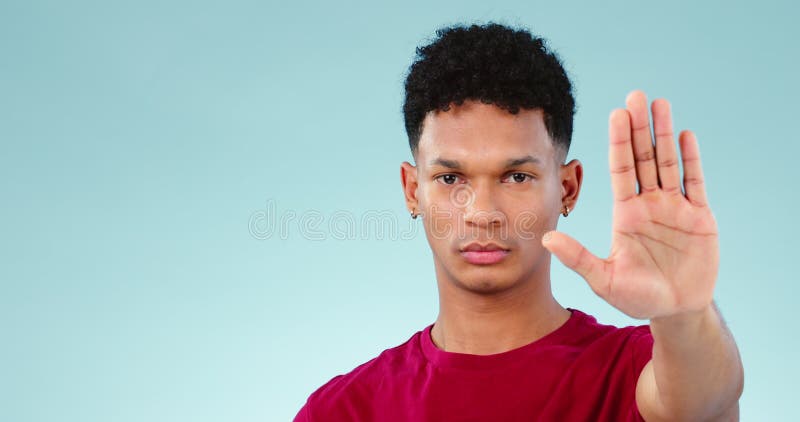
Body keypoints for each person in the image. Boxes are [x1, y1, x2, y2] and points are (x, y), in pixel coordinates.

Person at [294, 21, 744, 421]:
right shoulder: (342, 410)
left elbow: (704, 405)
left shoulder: (636, 368)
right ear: (413, 191)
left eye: (517, 176)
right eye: (450, 177)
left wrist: (685, 313)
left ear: (567, 188)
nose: (483, 212)